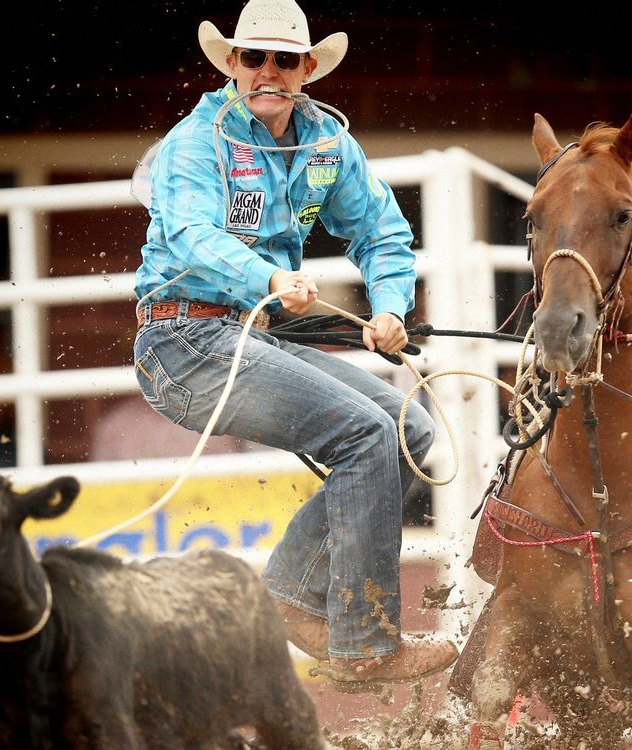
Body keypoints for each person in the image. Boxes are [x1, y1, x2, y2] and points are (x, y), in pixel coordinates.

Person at [132, 0, 457, 688]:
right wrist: (270, 276)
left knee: (405, 429)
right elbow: (190, 235)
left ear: (308, 68)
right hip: (181, 340)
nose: (269, 71)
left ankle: (292, 593)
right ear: (233, 64)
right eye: (254, 57)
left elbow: (383, 233)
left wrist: (391, 308)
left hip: (245, 336)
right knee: (367, 436)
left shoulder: (326, 145)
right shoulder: (197, 140)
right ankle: (365, 641)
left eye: (284, 59)